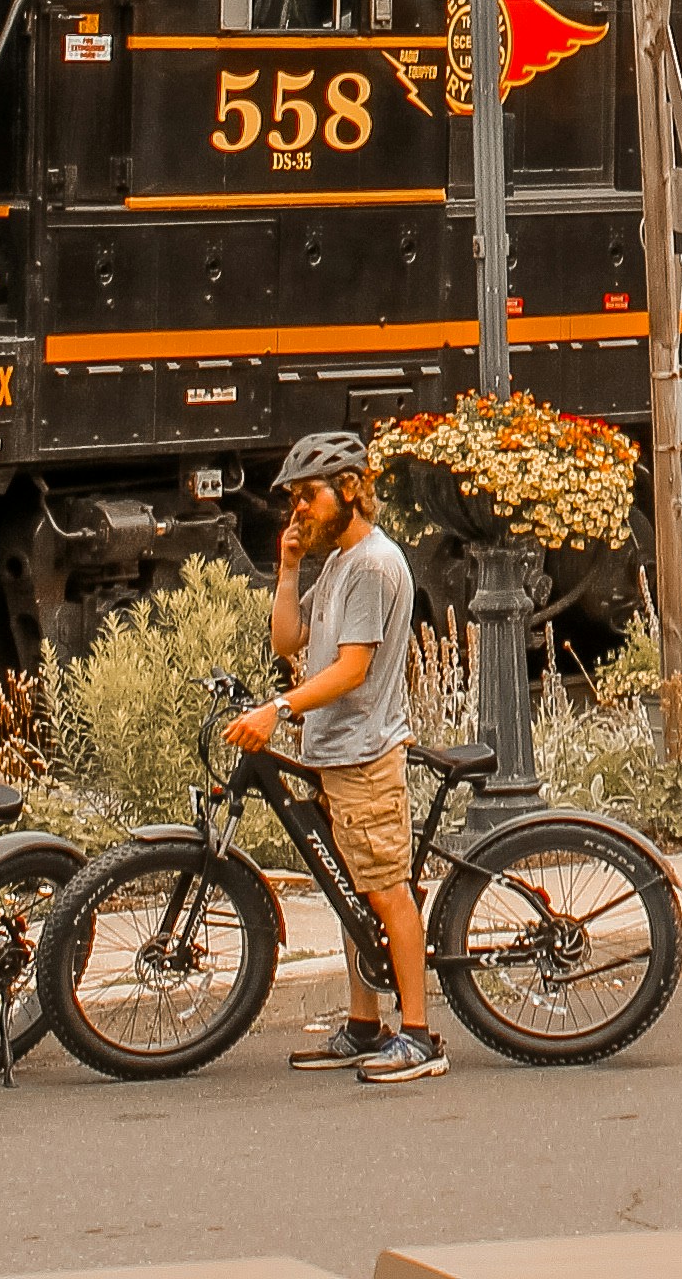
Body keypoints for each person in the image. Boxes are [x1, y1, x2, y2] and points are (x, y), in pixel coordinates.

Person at [232, 431, 440, 1085]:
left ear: (351, 489)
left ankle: (418, 1036)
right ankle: (362, 1025)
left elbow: (353, 669)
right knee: (354, 893)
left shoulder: (375, 566)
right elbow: (289, 638)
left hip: (364, 756)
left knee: (386, 892)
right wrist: (289, 568)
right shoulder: (342, 563)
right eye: (293, 500)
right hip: (334, 754)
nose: (299, 510)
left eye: (309, 496)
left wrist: (280, 710)